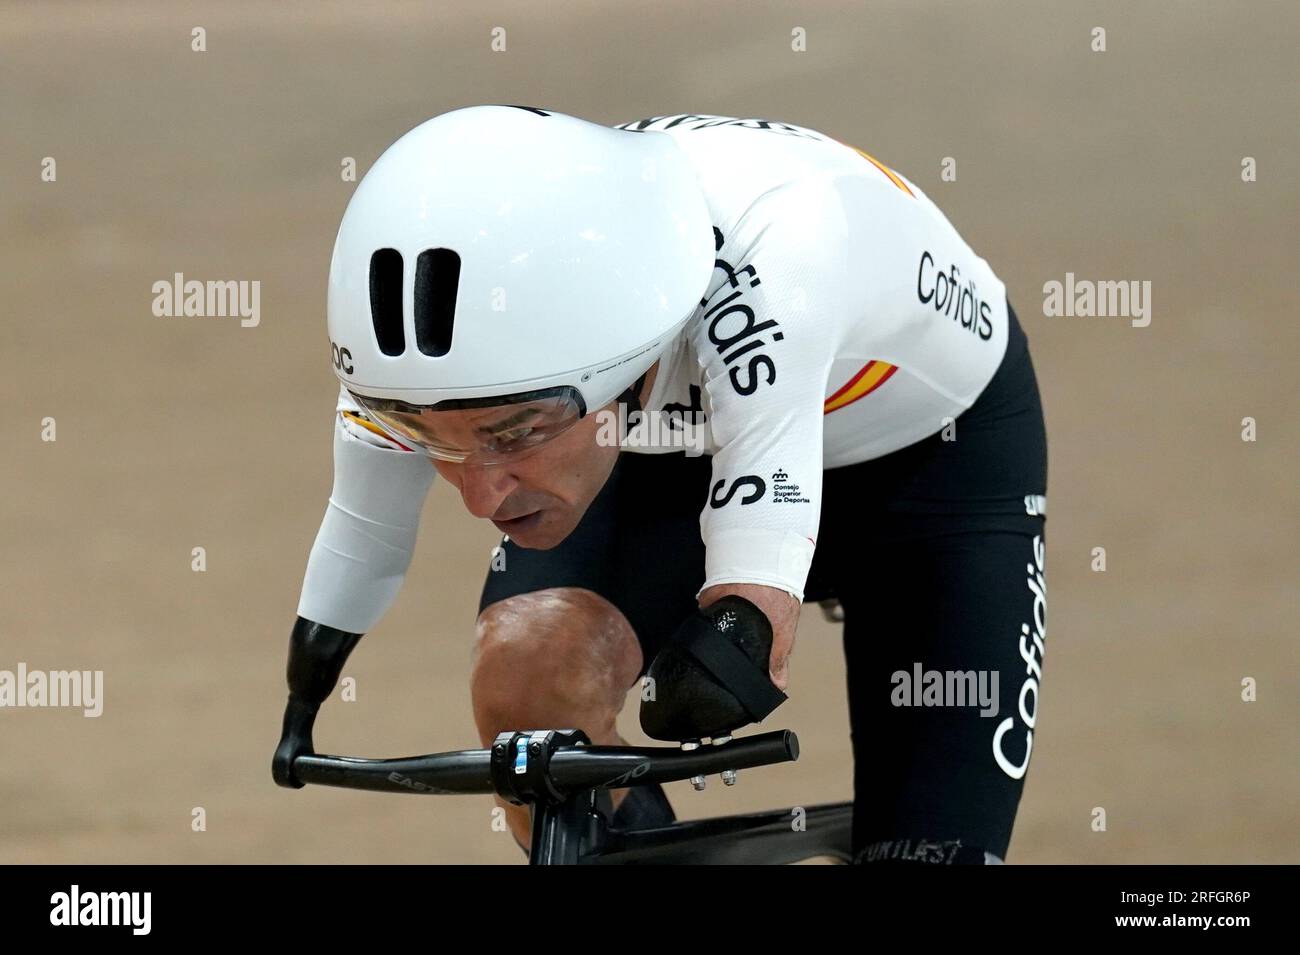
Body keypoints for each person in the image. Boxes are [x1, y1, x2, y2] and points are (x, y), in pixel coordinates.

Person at [279, 106, 1049, 865]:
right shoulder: (410, 366)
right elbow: (364, 526)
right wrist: (308, 682)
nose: (481, 499)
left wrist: (729, 653)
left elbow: (756, 611)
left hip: (934, 468)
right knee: (532, 678)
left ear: (624, 357)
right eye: (431, 441)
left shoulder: (772, 259)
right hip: (681, 439)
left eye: (514, 434)